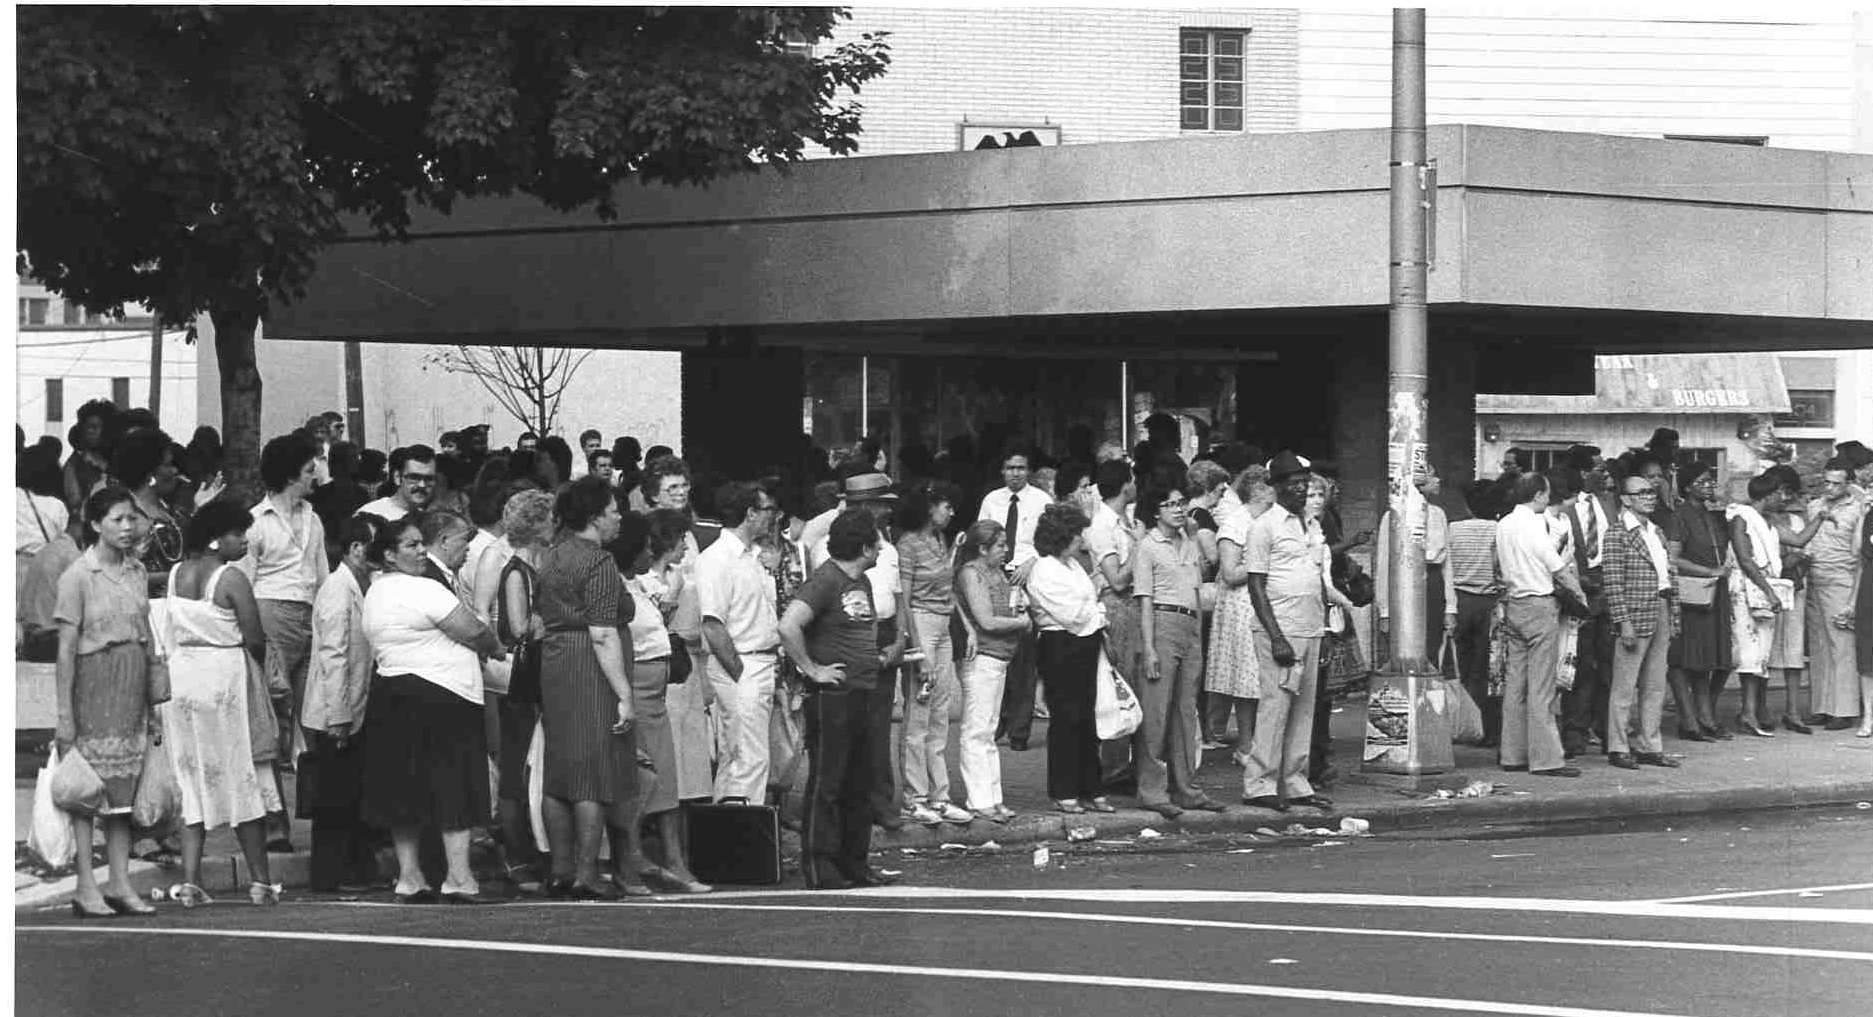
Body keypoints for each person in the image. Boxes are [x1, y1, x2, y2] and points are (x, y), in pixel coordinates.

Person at [359, 514, 505, 904]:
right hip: (443, 697)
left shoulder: (375, 592)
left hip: (393, 693)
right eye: (411, 545)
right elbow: (472, 630)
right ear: (389, 554)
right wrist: (495, 646)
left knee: (404, 790)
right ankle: (458, 877)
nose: (421, 550)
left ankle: (410, 877)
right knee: (452, 786)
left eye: (422, 542)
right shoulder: (423, 589)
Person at [159, 499, 285, 906]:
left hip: (182, 679)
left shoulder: (177, 574)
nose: (245, 540)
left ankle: (193, 881)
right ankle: (261, 881)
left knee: (191, 775)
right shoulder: (231, 578)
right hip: (224, 674)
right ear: (216, 539)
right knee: (241, 772)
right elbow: (254, 637)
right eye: (238, 533)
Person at [54, 486, 164, 917]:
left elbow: (148, 635)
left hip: (133, 688)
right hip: (94, 687)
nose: (126, 526)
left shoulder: (136, 571)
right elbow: (66, 649)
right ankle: (86, 885)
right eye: (117, 519)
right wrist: (65, 714)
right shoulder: (78, 576)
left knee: (125, 794)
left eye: (131, 518)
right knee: (89, 791)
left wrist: (153, 703)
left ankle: (119, 882)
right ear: (96, 523)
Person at [533, 477, 637, 898]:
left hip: (557, 661)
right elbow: (602, 633)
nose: (618, 518)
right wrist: (624, 693)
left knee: (560, 772)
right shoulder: (598, 562)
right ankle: (586, 872)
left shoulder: (553, 556)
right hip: (590, 666)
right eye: (613, 511)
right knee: (592, 772)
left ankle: (560, 868)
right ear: (595, 517)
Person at [780, 508, 894, 889]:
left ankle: (854, 862)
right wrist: (812, 669)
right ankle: (821, 864)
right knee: (829, 781)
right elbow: (789, 624)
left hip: (864, 689)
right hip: (834, 695)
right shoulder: (826, 580)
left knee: (860, 782)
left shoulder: (858, 580)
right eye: (876, 542)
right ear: (863, 547)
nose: (880, 548)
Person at [1239, 454, 1349, 811]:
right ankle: (1260, 784)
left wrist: (1327, 626)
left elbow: (1317, 577)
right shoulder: (1264, 527)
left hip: (1311, 626)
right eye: (1294, 482)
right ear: (1276, 486)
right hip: (1281, 629)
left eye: (1304, 481)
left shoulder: (1311, 524)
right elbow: (1256, 584)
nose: (1301, 487)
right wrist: (1276, 637)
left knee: (1305, 709)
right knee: (1275, 707)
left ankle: (1295, 781)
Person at [618, 510, 712, 893]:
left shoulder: (638, 586)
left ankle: (675, 862)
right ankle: (632, 861)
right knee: (641, 781)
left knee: (666, 780)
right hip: (636, 690)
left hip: (656, 694)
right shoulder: (621, 585)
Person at [242, 433, 329, 848]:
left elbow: (324, 576)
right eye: (311, 468)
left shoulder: (314, 518)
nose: (317, 475)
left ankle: (322, 818)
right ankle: (274, 820)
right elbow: (245, 580)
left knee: (315, 720)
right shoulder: (256, 522)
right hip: (269, 618)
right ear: (292, 472)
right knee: (273, 723)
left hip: (310, 617)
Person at [1132, 482, 1224, 819]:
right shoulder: (1148, 547)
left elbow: (1198, 593)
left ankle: (1186, 788)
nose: (1178, 508)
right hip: (1162, 623)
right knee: (1156, 712)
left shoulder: (1189, 543)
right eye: (1169, 504)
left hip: (1190, 626)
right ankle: (1152, 789)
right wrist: (1149, 647)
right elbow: (1144, 600)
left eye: (1181, 502)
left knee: (1186, 712)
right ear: (1156, 511)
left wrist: (1199, 637)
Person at [300, 515, 380, 894]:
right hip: (337, 711)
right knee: (335, 799)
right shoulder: (337, 589)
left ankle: (354, 870)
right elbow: (334, 656)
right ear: (356, 548)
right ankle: (332, 875)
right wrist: (339, 716)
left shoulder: (361, 586)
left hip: (353, 708)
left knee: (351, 794)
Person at [1495, 472, 1589, 778]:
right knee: (1542, 687)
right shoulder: (1534, 524)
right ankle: (1546, 758)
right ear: (1537, 496)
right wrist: (1580, 596)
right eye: (1547, 494)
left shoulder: (1505, 523)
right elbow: (1557, 567)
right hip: (1540, 605)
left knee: (1515, 684)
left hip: (1514, 604)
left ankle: (1512, 753)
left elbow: (1496, 565)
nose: (1549, 499)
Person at [696, 481, 784, 804]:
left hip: (760, 661)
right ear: (750, 514)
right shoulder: (717, 559)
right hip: (743, 663)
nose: (772, 517)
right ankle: (742, 844)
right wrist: (741, 672)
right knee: (748, 759)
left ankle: (730, 838)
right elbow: (713, 624)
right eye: (767, 510)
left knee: (740, 759)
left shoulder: (754, 556)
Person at [1022, 503, 1111, 814]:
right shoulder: (1044, 570)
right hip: (1060, 645)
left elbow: (1089, 607)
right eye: (1076, 534)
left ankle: (1091, 787)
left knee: (1087, 717)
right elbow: (1074, 615)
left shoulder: (1073, 567)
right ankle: (1064, 790)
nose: (1081, 540)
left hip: (1086, 644)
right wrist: (1097, 610)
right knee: (1066, 719)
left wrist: (1094, 611)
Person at [486, 489, 555, 891]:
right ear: (534, 525)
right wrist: (546, 620)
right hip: (521, 679)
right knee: (518, 767)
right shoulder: (516, 572)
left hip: (538, 677)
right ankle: (516, 855)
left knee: (536, 767)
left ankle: (534, 849)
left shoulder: (538, 566)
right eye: (548, 518)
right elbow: (517, 627)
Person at [895, 485, 972, 825]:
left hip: (942, 625)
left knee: (940, 712)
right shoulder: (908, 545)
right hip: (923, 625)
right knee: (919, 714)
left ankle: (939, 795)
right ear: (929, 508)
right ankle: (915, 796)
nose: (950, 512)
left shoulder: (941, 540)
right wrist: (916, 649)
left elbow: (946, 587)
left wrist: (966, 627)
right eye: (946, 506)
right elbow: (906, 601)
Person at [1603, 475, 1682, 770]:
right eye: (1642, 493)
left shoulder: (1656, 532)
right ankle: (1618, 746)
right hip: (1635, 615)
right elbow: (1613, 583)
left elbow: (1668, 575)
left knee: (1655, 685)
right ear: (1625, 499)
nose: (1650, 497)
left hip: (1660, 607)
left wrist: (1673, 614)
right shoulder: (1617, 534)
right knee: (1624, 687)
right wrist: (1623, 622)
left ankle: (1650, 744)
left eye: (1651, 492)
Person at [978, 451, 1053, 752]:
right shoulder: (991, 500)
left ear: (1029, 471)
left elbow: (1050, 542)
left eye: (1021, 468)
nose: (1015, 473)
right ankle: (998, 724)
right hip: (997, 578)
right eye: (1010, 467)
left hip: (1028, 578)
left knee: (1024, 657)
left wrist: (1031, 563)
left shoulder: (1041, 500)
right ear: (1002, 470)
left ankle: (1019, 731)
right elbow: (979, 540)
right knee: (998, 652)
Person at [953, 520, 1027, 822]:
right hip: (981, 657)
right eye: (1000, 546)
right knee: (977, 729)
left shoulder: (997, 572)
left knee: (988, 728)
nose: (1005, 550)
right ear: (982, 548)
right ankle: (979, 799)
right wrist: (1021, 623)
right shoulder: (972, 574)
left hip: (999, 658)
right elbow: (986, 620)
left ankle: (993, 797)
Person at [1207, 465, 1275, 753]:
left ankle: (1261, 743)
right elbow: (1231, 572)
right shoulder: (1235, 523)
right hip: (1242, 607)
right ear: (1258, 493)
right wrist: (1263, 561)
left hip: (1266, 602)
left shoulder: (1271, 520)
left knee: (1264, 678)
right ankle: (1246, 745)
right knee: (1247, 682)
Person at [1374, 464, 1458, 668]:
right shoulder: (1393, 516)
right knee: (1404, 647)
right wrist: (1384, 610)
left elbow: (1447, 564)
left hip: (1433, 583)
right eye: (1432, 476)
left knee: (1433, 646)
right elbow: (1384, 564)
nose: (1438, 481)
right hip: (1404, 584)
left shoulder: (1438, 514)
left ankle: (1429, 696)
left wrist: (1450, 606)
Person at [1804, 461, 1866, 731]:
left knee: (1842, 647)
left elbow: (1861, 553)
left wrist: (1853, 598)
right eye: (1826, 481)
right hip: (1814, 578)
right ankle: (1822, 707)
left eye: (1836, 483)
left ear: (1849, 483)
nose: (1829, 487)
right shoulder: (1814, 507)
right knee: (1819, 647)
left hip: (1842, 579)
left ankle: (1845, 709)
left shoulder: (1858, 508)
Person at [1727, 474, 1789, 738]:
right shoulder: (1741, 517)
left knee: (1761, 654)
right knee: (1749, 654)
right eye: (1780, 493)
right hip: (1746, 589)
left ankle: (1751, 711)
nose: (1783, 499)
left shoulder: (1768, 522)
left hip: (1764, 589)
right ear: (1769, 494)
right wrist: (1768, 590)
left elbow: (1796, 541)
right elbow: (1745, 559)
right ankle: (1747, 712)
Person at [1448, 480, 1504, 747]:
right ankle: (1485, 729)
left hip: (1458, 602)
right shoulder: (1500, 530)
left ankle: (1460, 723)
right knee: (1487, 669)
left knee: (1459, 666)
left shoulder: (1453, 529)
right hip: (1490, 604)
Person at [62, 399, 118, 529]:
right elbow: (74, 503)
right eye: (87, 427)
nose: (90, 432)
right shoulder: (75, 464)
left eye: (95, 427)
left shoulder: (116, 460)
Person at [356, 445, 438, 521]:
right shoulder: (370, 515)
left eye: (429, 479)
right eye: (414, 478)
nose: (422, 485)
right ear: (397, 477)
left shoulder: (429, 520)